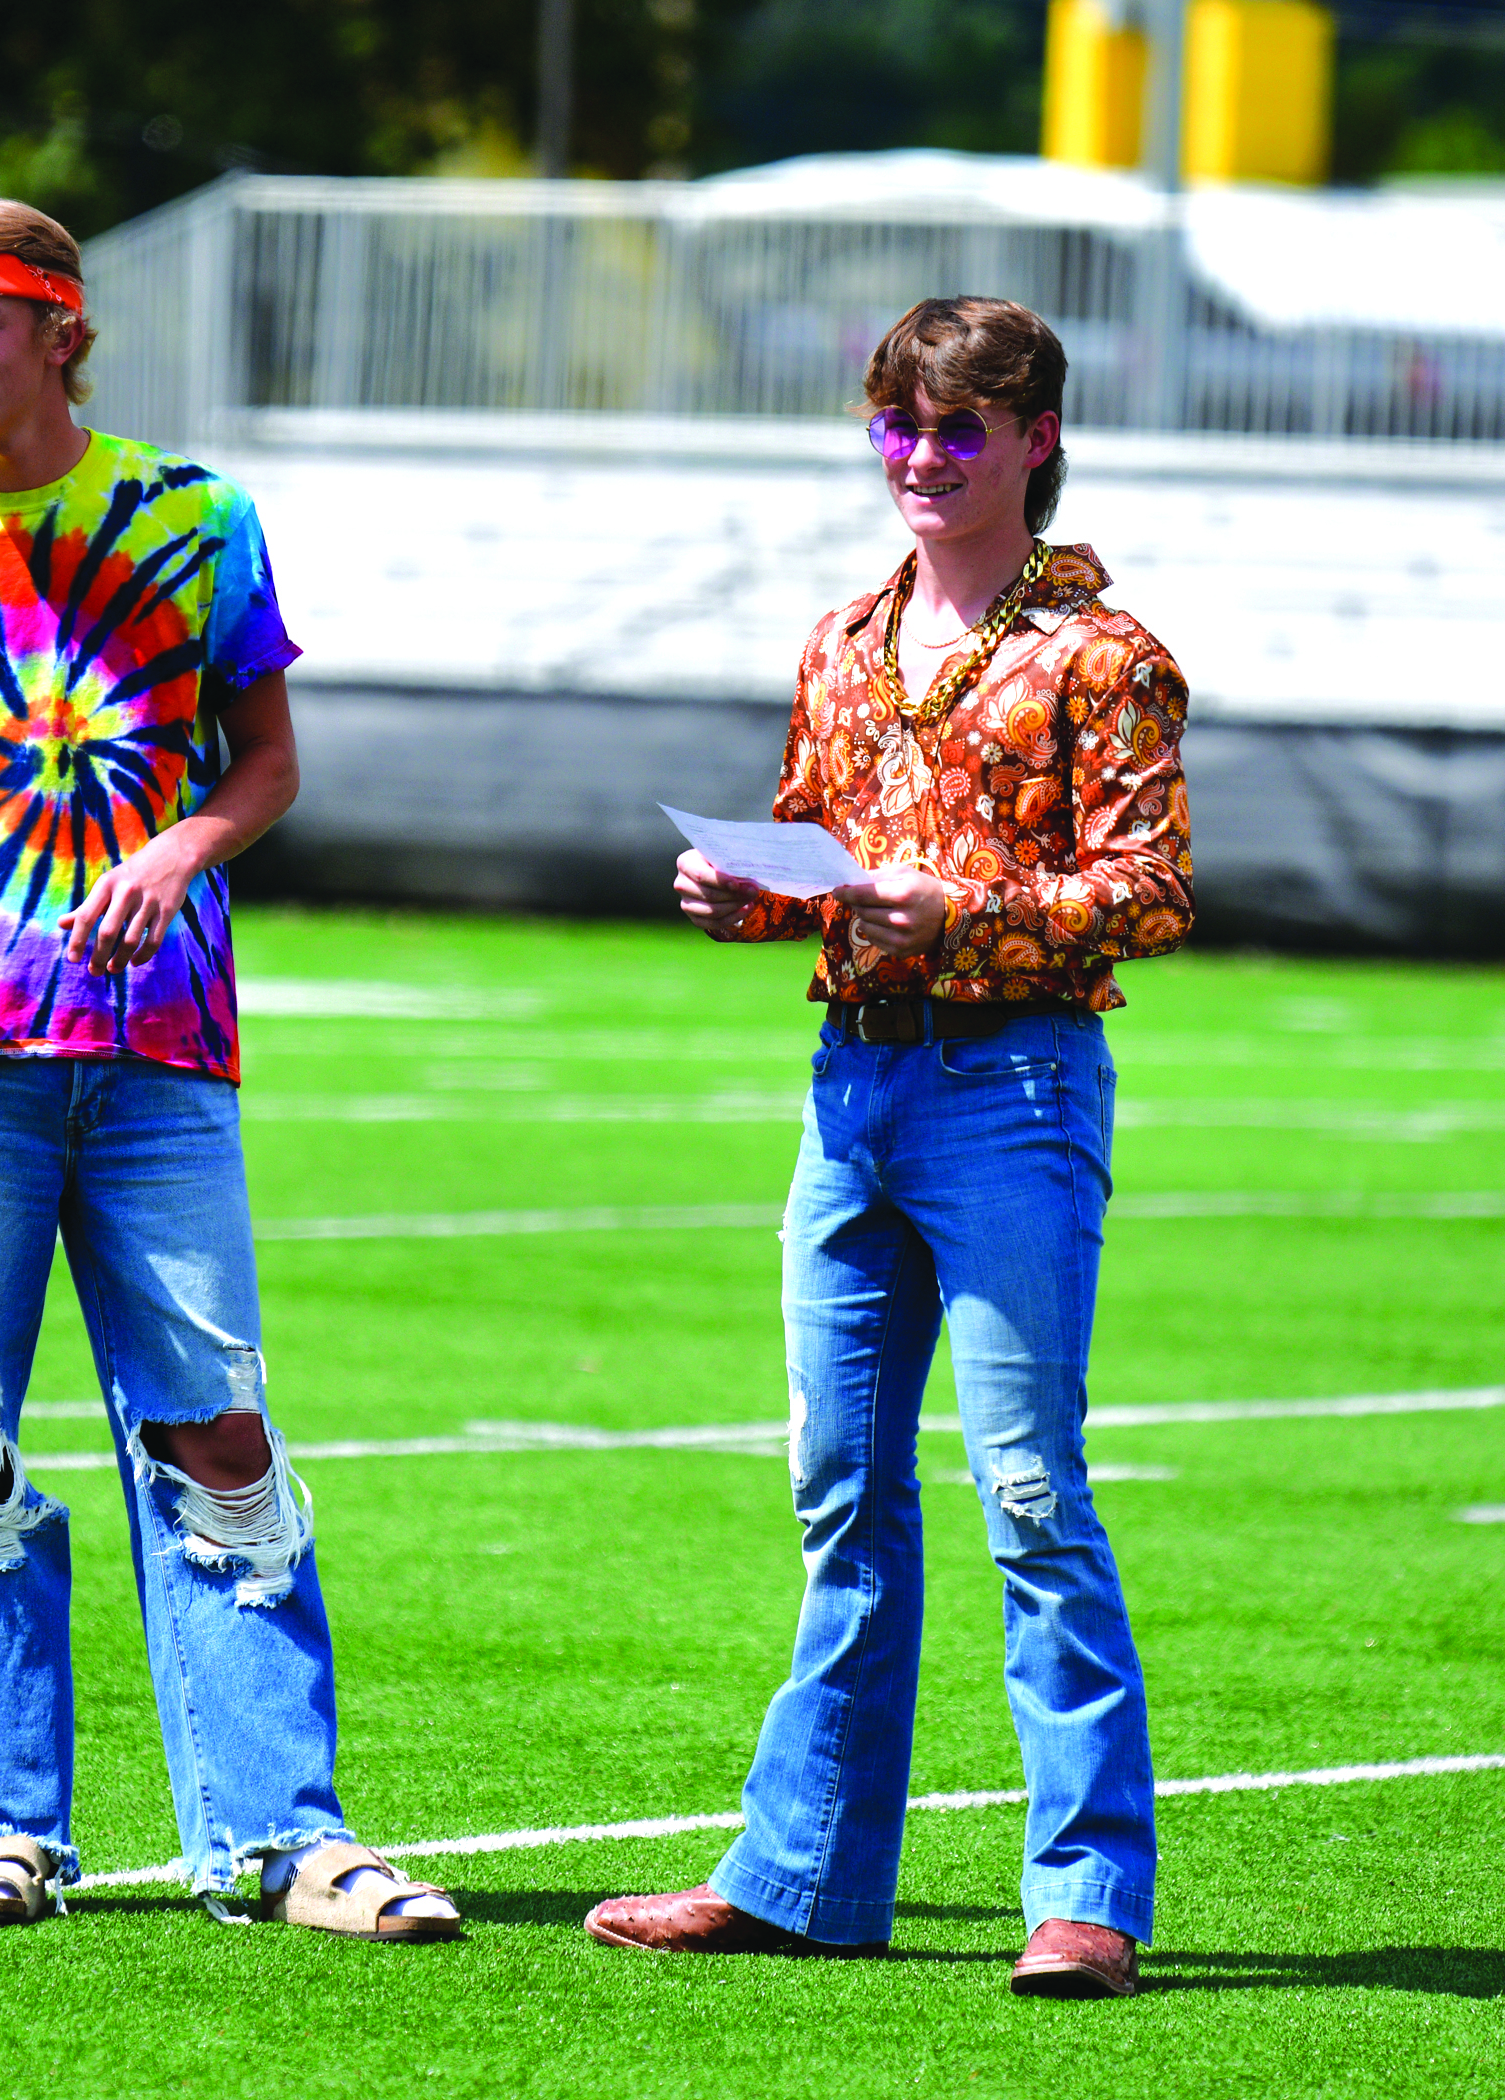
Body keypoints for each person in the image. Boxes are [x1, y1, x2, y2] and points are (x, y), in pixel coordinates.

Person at [0, 194, 458, 1939]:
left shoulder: (194, 517)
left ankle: (283, 1840)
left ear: (62, 330)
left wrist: (175, 856)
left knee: (218, 1435)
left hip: (161, 1059)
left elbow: (271, 761)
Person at [584, 297, 1191, 1997]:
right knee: (842, 1493)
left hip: (1012, 1091)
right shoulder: (842, 639)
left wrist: (965, 912)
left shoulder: (1105, 654)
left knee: (1026, 1491)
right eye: (901, 430)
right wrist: (740, 894)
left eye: (961, 432)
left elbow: (1149, 891)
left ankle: (1087, 1894)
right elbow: (811, 848)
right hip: (850, 1091)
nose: (924, 461)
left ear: (1034, 443)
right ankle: (804, 1878)